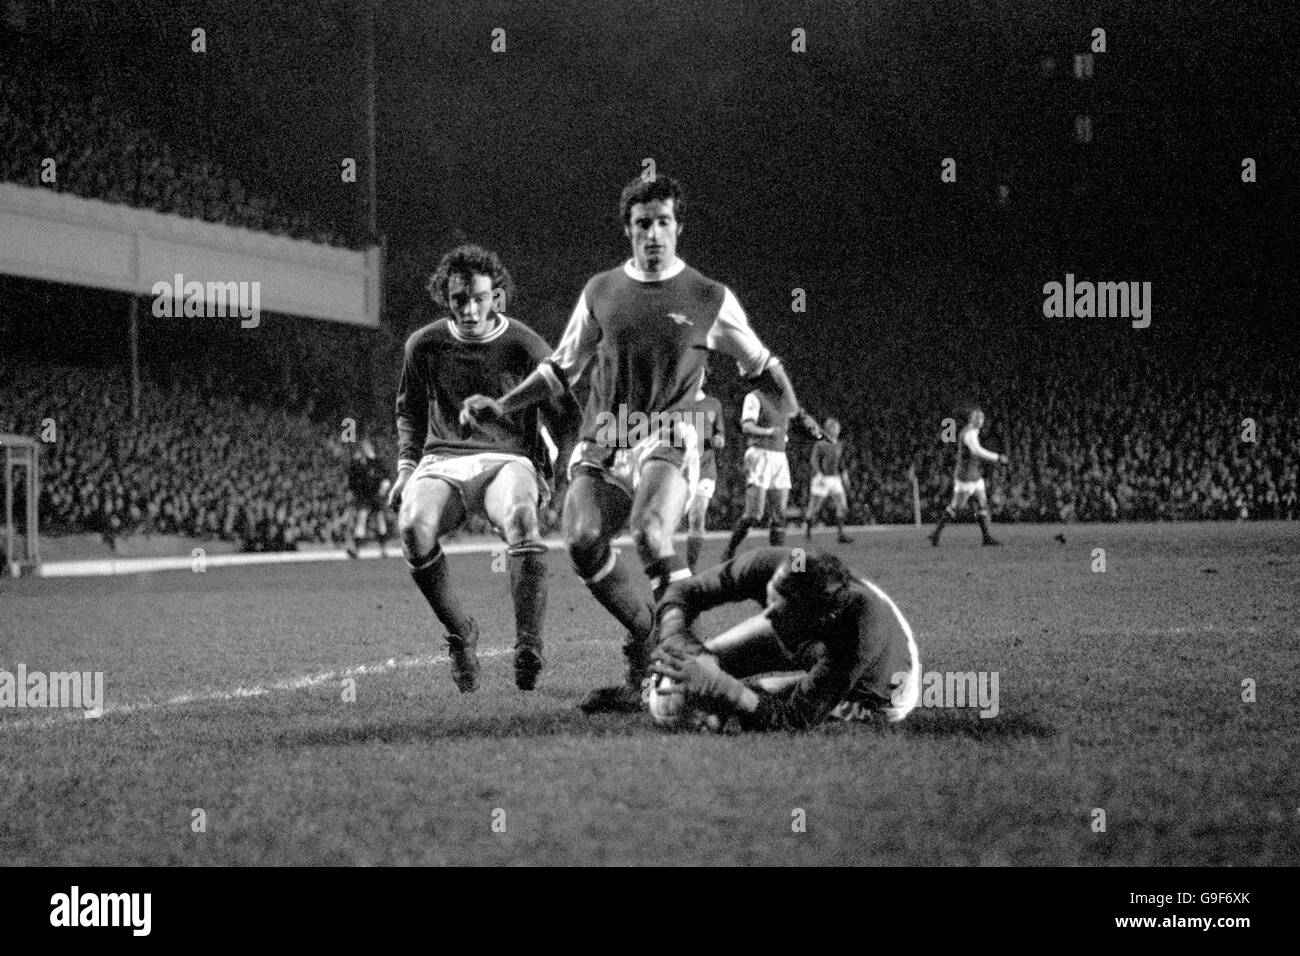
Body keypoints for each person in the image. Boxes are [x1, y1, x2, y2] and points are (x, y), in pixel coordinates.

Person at [461, 174, 814, 713]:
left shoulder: (708, 296)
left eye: (663, 222)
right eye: (643, 223)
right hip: (607, 431)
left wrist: (797, 412)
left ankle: (687, 665)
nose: (654, 233)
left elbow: (762, 364)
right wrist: (502, 404)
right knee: (579, 539)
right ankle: (648, 634)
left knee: (650, 531)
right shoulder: (601, 291)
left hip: (671, 428)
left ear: (678, 227)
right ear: (628, 230)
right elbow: (560, 370)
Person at [389, 244, 576, 693]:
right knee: (413, 527)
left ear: (496, 296)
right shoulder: (424, 345)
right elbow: (410, 412)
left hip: (507, 459)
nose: (470, 309)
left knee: (521, 518)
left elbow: (567, 416)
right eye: (459, 300)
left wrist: (564, 472)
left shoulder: (525, 345)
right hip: (443, 459)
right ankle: (461, 634)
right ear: (445, 298)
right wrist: (405, 468)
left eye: (479, 298)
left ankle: (528, 645)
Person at [650, 548, 921, 731]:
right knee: (694, 668)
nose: (766, 617)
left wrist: (723, 688)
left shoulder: (856, 637)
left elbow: (796, 717)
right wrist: (681, 643)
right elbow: (684, 591)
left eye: (779, 612)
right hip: (817, 636)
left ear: (813, 620)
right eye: (769, 599)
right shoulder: (776, 568)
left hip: (877, 693)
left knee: (734, 707)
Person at [720, 376, 821, 562]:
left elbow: (799, 417)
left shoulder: (785, 402)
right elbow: (747, 426)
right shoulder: (754, 397)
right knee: (754, 515)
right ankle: (730, 549)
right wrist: (768, 432)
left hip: (779, 457)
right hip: (759, 455)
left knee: (779, 514)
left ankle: (777, 561)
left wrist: (811, 427)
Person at [929, 406, 1010, 547]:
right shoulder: (969, 434)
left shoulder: (973, 432)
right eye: (976, 417)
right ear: (971, 419)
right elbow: (977, 451)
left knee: (982, 505)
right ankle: (936, 534)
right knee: (956, 507)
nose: (980, 420)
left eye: (982, 417)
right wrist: (997, 457)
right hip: (965, 476)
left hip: (974, 475)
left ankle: (986, 538)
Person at [684, 383, 725, 572]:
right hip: (678, 469)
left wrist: (719, 440)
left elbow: (720, 434)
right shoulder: (678, 399)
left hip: (704, 469)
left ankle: (691, 571)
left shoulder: (714, 404)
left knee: (697, 517)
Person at [803, 417, 853, 543]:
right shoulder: (820, 444)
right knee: (815, 508)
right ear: (828, 429)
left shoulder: (839, 444)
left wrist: (844, 474)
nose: (837, 430)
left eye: (838, 428)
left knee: (842, 506)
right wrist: (819, 474)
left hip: (835, 479)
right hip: (822, 479)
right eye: (835, 427)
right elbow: (814, 460)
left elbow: (840, 461)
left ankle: (841, 535)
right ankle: (807, 533)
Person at [345, 439, 392, 558]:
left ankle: (383, 549)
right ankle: (356, 549)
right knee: (362, 519)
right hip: (364, 496)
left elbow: (386, 478)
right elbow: (352, 479)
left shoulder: (376, 462)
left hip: (375, 495)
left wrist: (383, 489)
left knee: (380, 520)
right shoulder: (358, 463)